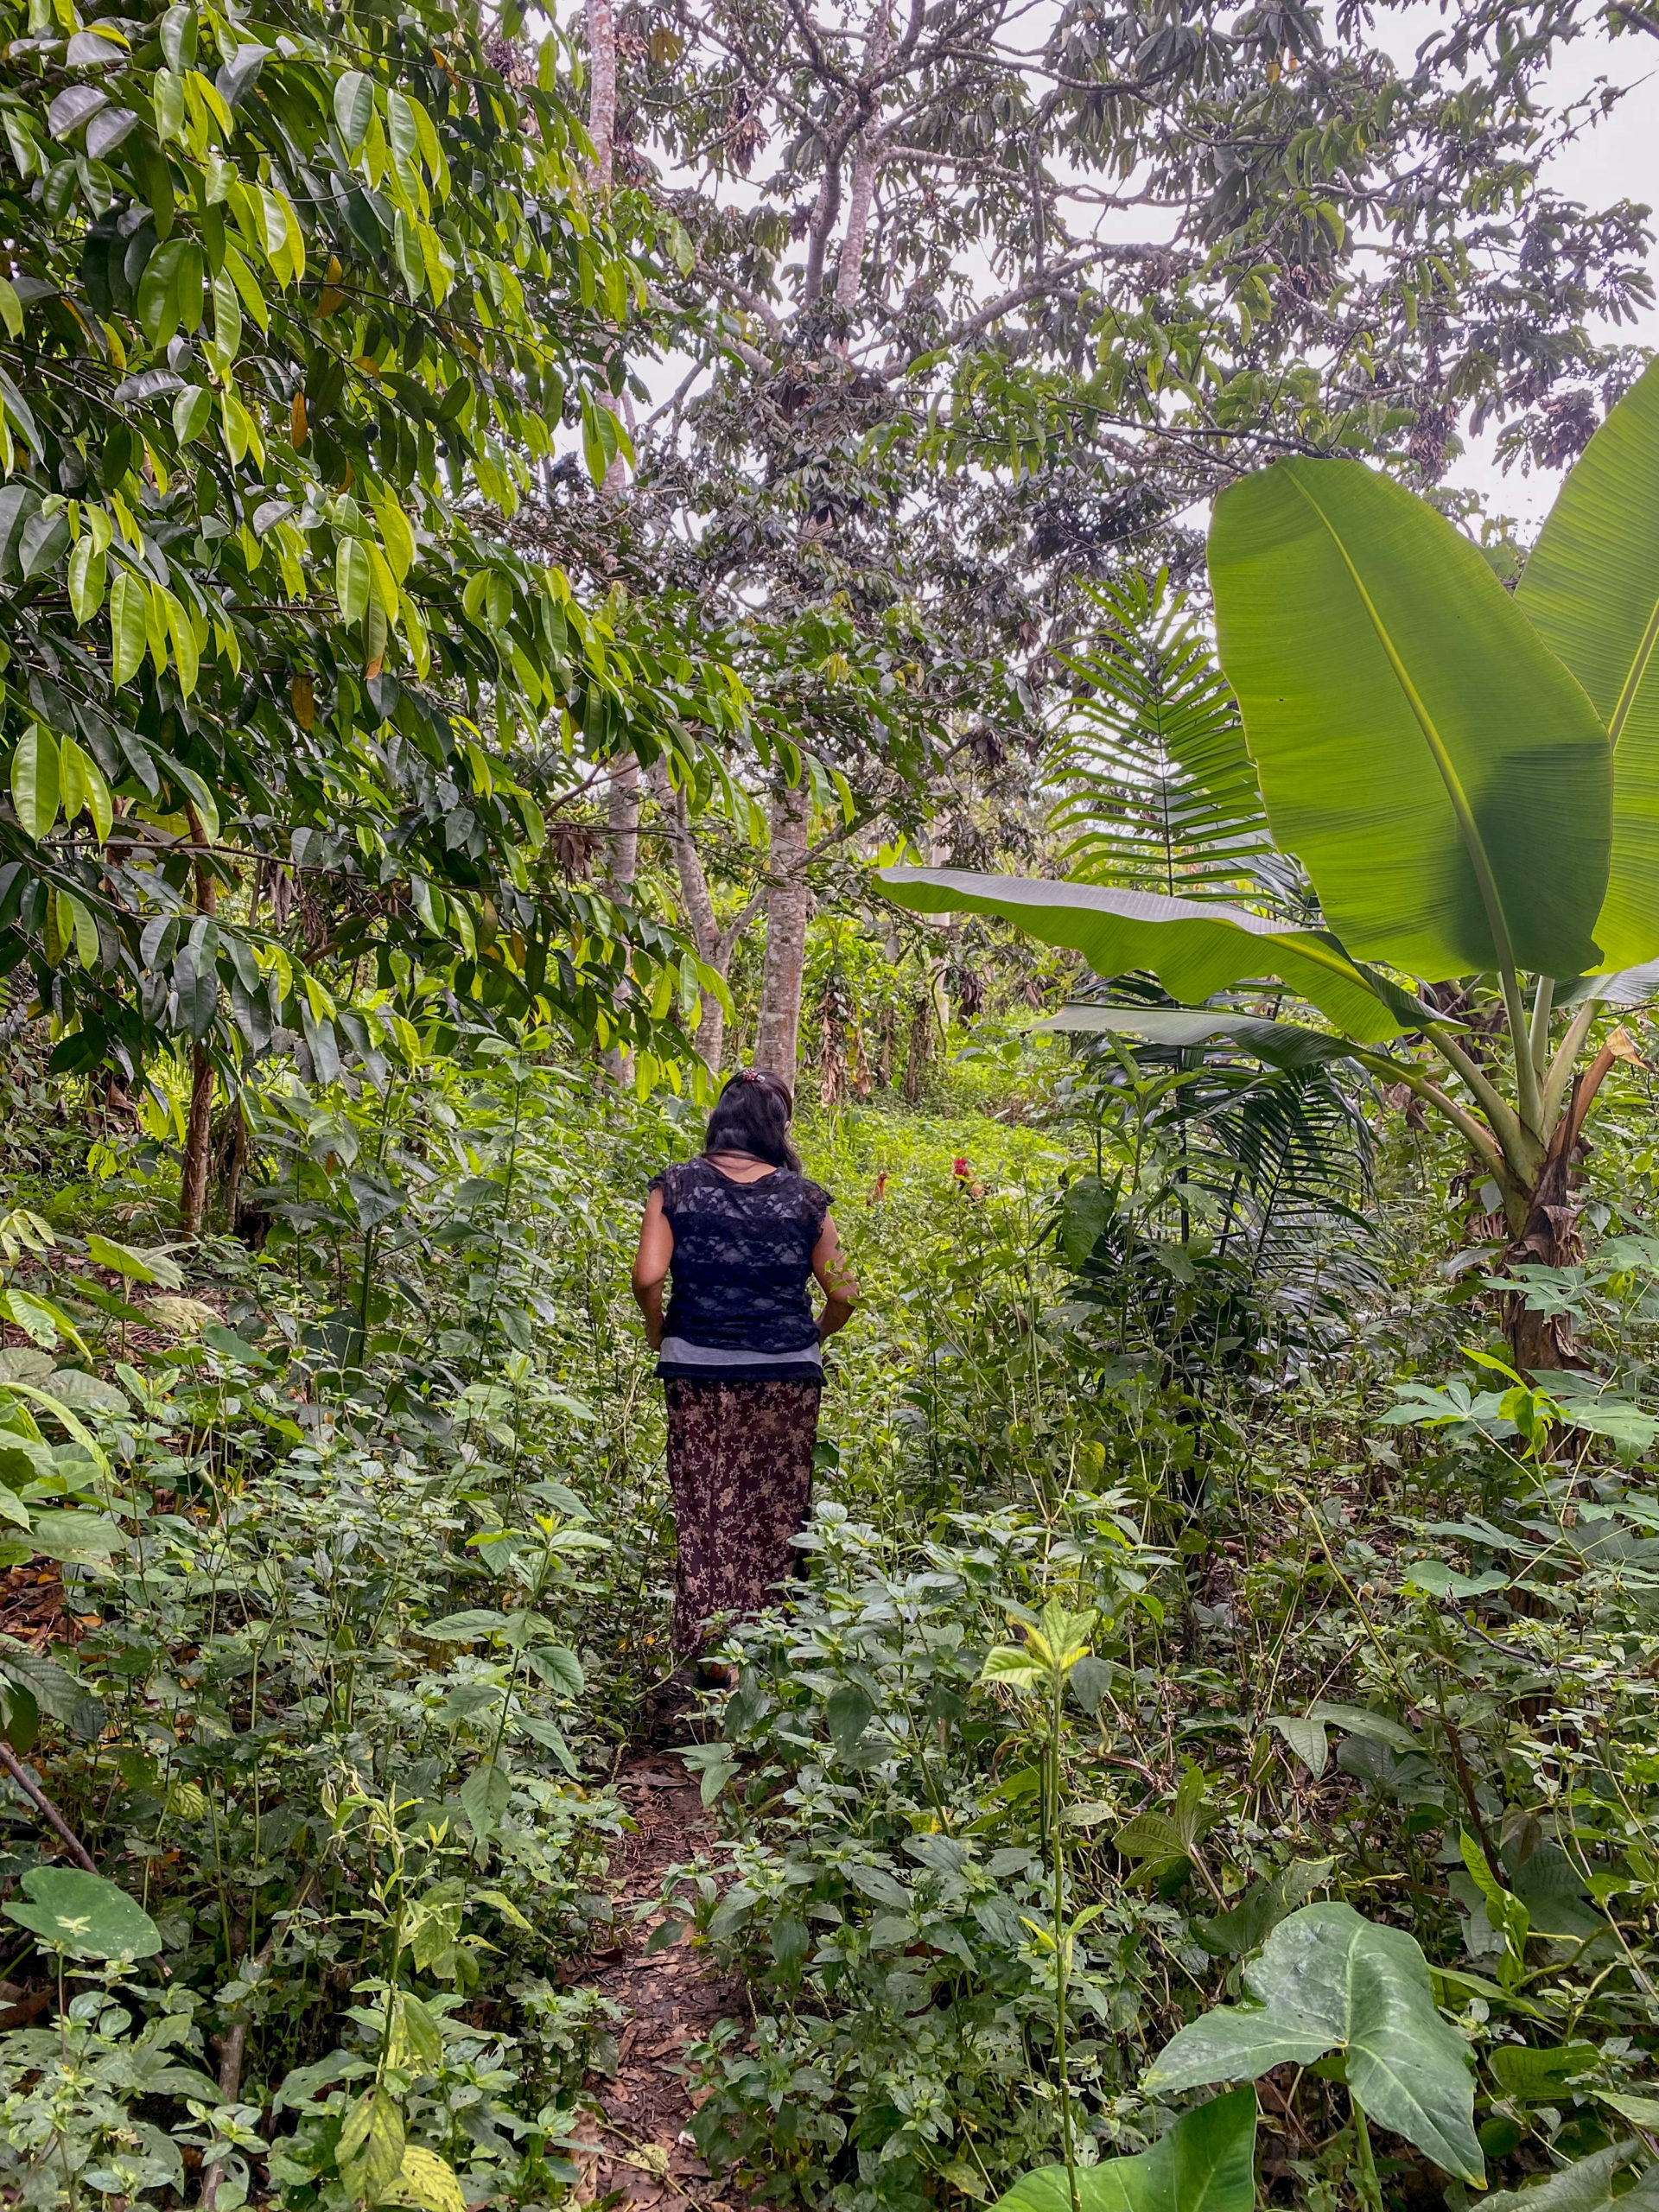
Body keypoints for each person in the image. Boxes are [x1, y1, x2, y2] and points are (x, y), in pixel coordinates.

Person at [632, 1067, 859, 1673]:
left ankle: (715, 1654)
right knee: (774, 1510)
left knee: (705, 1507)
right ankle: (763, 1652)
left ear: (720, 1121)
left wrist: (660, 1330)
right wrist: (808, 1338)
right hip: (785, 1377)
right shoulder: (805, 1198)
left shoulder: (675, 1186)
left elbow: (648, 1276)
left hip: (697, 1370)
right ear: (777, 1129)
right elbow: (844, 1294)